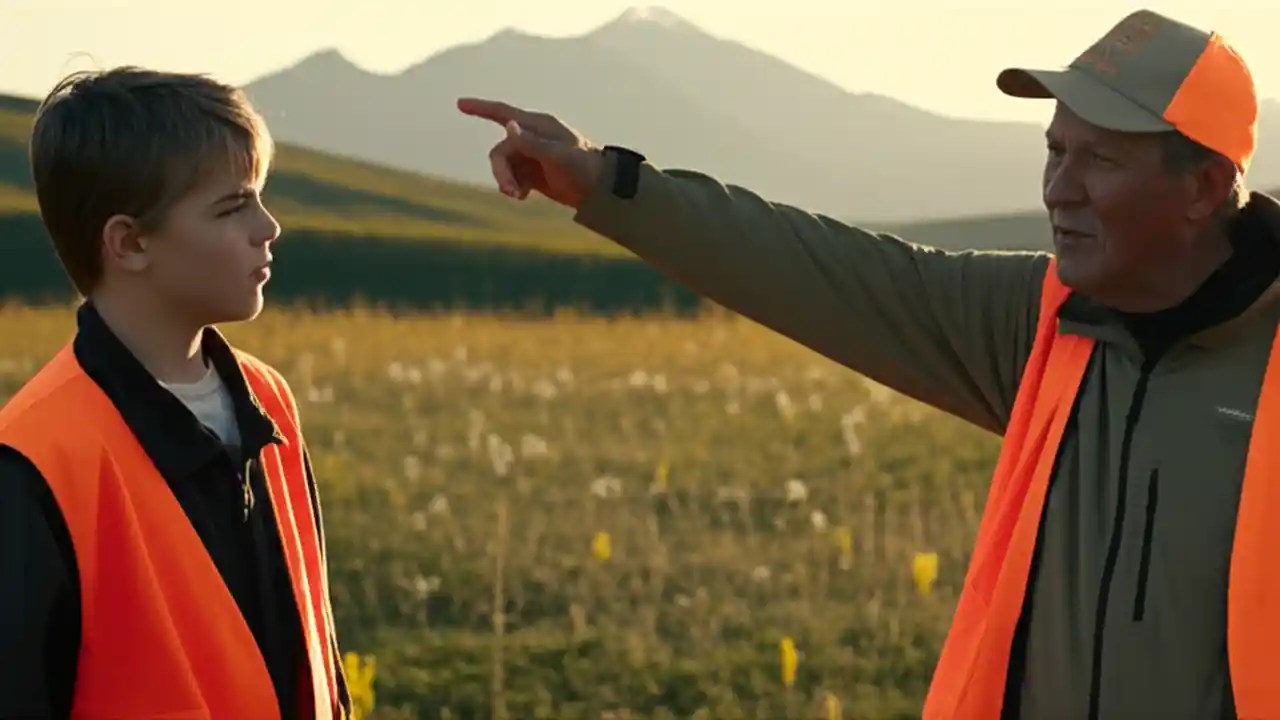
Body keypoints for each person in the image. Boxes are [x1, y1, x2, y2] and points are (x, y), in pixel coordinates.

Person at [459, 8, 1280, 720]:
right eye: (1054, 152)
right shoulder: (1040, 326)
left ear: (1205, 187)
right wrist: (605, 182)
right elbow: (822, 271)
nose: (1059, 189)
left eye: (1098, 161)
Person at [0, 67, 351, 719]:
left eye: (261, 197)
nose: (268, 227)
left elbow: (315, 659)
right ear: (129, 242)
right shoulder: (34, 461)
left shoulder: (268, 401)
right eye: (232, 207)